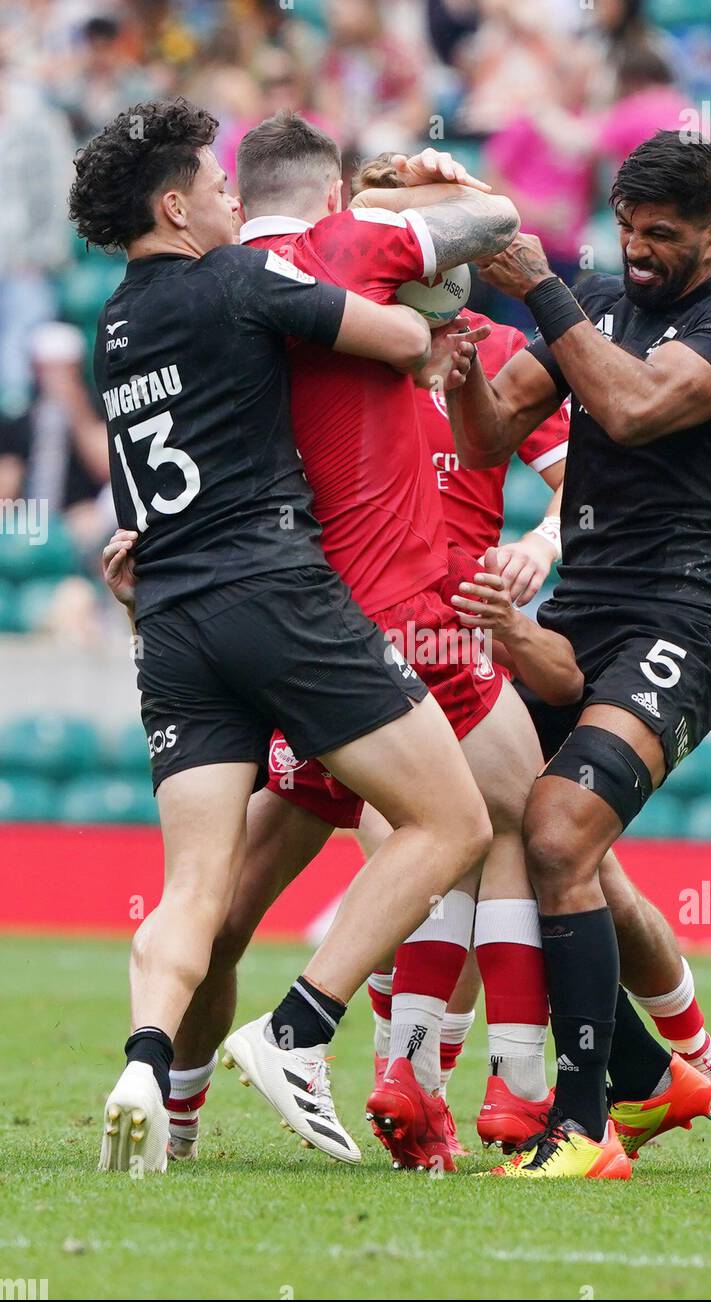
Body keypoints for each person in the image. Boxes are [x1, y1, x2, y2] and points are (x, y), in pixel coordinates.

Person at [72, 98, 492, 1174]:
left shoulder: (111, 327)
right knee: (450, 823)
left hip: (168, 616)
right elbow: (399, 336)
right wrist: (423, 316)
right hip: (275, 592)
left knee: (194, 891)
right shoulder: (241, 278)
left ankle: (146, 1070)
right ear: (175, 206)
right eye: (215, 186)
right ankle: (297, 1028)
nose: (231, 198)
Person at [448, 131, 711, 1178]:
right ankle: (663, 1075)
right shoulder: (598, 298)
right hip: (576, 612)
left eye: (661, 237)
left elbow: (633, 408)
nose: (637, 252)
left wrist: (544, 290)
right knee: (512, 832)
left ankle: (583, 1127)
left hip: (676, 627)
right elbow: (486, 436)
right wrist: (461, 369)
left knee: (555, 834)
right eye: (627, 229)